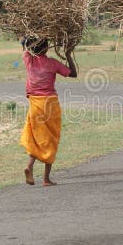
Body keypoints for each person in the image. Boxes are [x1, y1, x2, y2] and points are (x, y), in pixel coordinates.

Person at [20, 38, 77, 186]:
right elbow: (73, 73)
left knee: (36, 138)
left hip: (34, 104)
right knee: (51, 139)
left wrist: (27, 37)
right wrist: (68, 54)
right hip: (50, 104)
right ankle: (46, 179)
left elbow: (23, 44)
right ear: (46, 49)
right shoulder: (52, 63)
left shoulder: (29, 60)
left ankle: (30, 166)